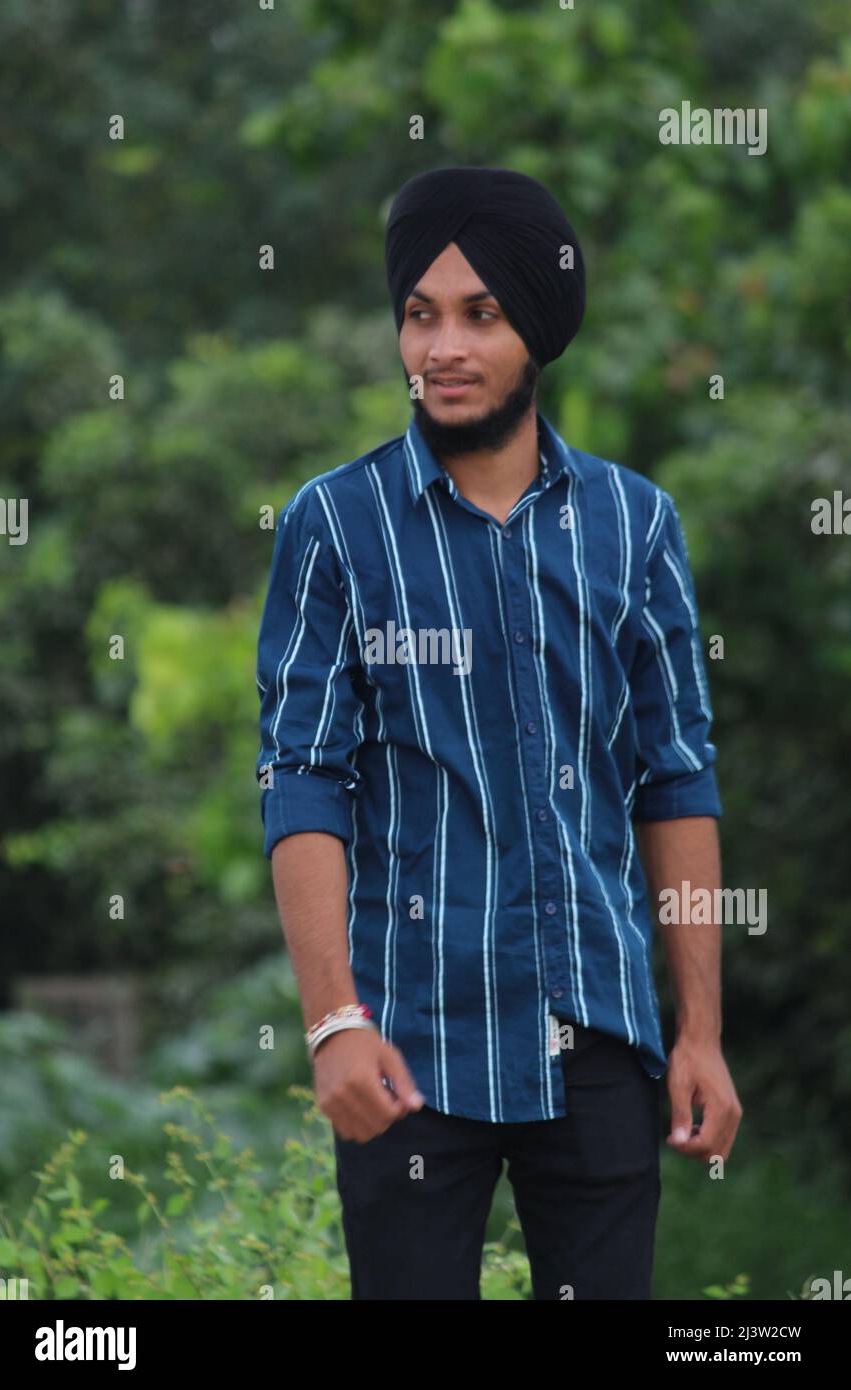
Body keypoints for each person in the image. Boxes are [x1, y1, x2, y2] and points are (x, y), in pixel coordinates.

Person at [255, 164, 742, 1300]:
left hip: (601, 1039)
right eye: (419, 316)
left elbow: (674, 781)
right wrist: (331, 1020)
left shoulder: (634, 525)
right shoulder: (337, 524)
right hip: (407, 1049)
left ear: (539, 329)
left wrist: (700, 1033)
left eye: (479, 314)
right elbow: (304, 777)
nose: (443, 347)